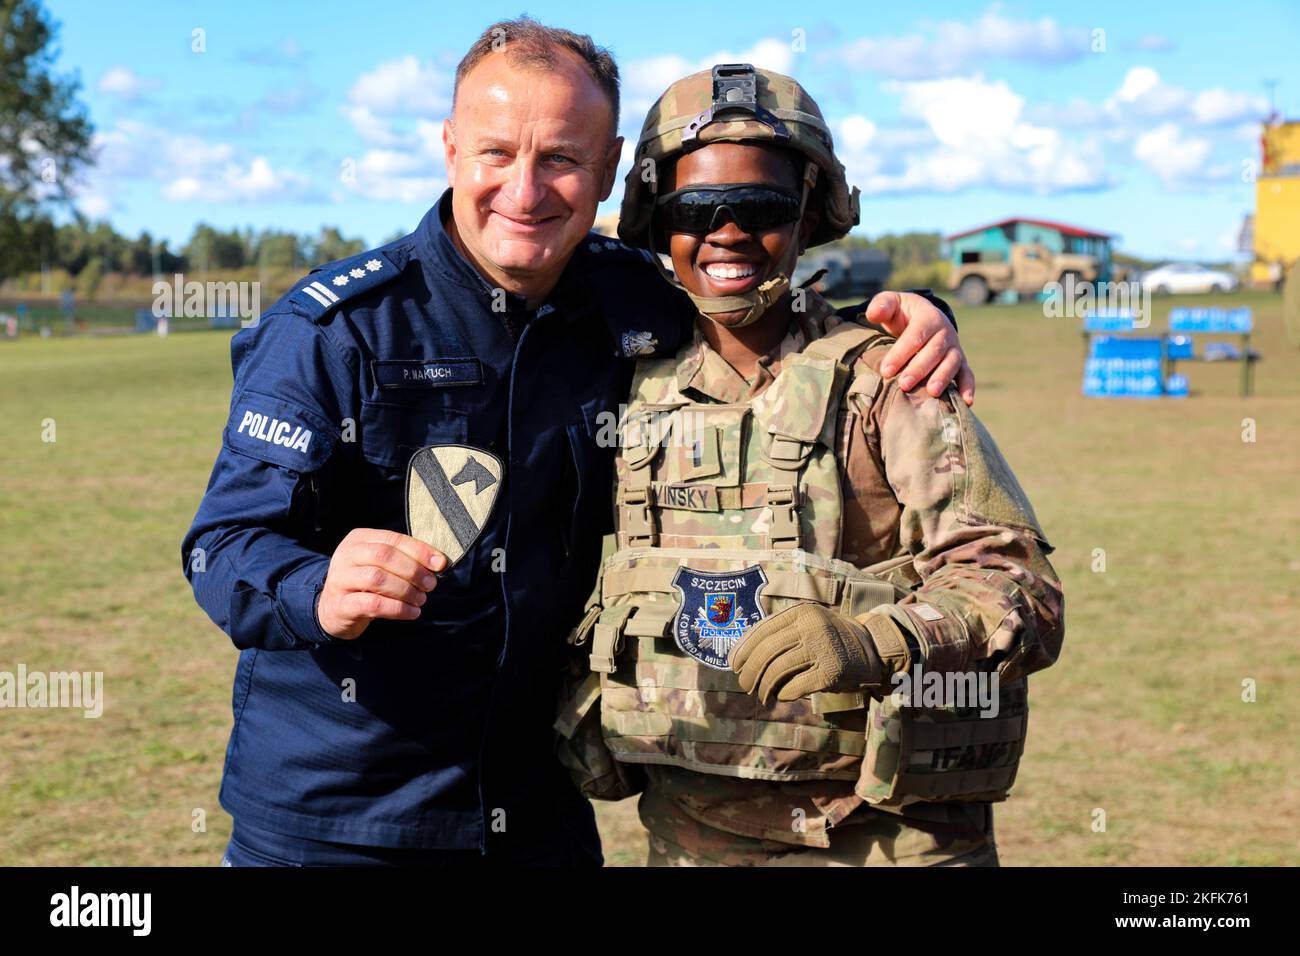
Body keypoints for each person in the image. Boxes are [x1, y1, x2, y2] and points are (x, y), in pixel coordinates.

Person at [183, 19, 971, 867]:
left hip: (540, 807)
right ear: (450, 150)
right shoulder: (334, 331)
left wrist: (917, 318)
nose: (524, 192)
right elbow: (220, 548)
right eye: (495, 153)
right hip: (340, 822)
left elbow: (768, 308)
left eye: (559, 157)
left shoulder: (636, 303)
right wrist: (314, 587)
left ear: (607, 166)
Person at [556, 64, 1065, 866]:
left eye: (760, 207)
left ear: (807, 218)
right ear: (659, 223)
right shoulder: (621, 384)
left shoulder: (892, 382)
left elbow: (1020, 589)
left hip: (883, 842)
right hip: (688, 838)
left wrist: (877, 642)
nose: (726, 231)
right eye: (695, 208)